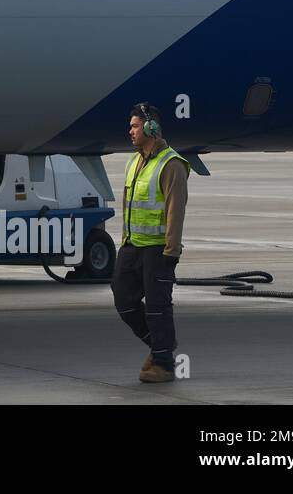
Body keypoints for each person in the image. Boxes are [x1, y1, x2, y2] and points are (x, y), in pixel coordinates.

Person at [112, 102, 190, 384]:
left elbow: (174, 210)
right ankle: (162, 347)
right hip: (132, 247)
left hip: (158, 249)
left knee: (157, 307)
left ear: (151, 128)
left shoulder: (171, 164)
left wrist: (172, 250)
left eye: (134, 126)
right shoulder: (134, 161)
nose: (130, 131)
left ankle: (164, 363)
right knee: (124, 301)